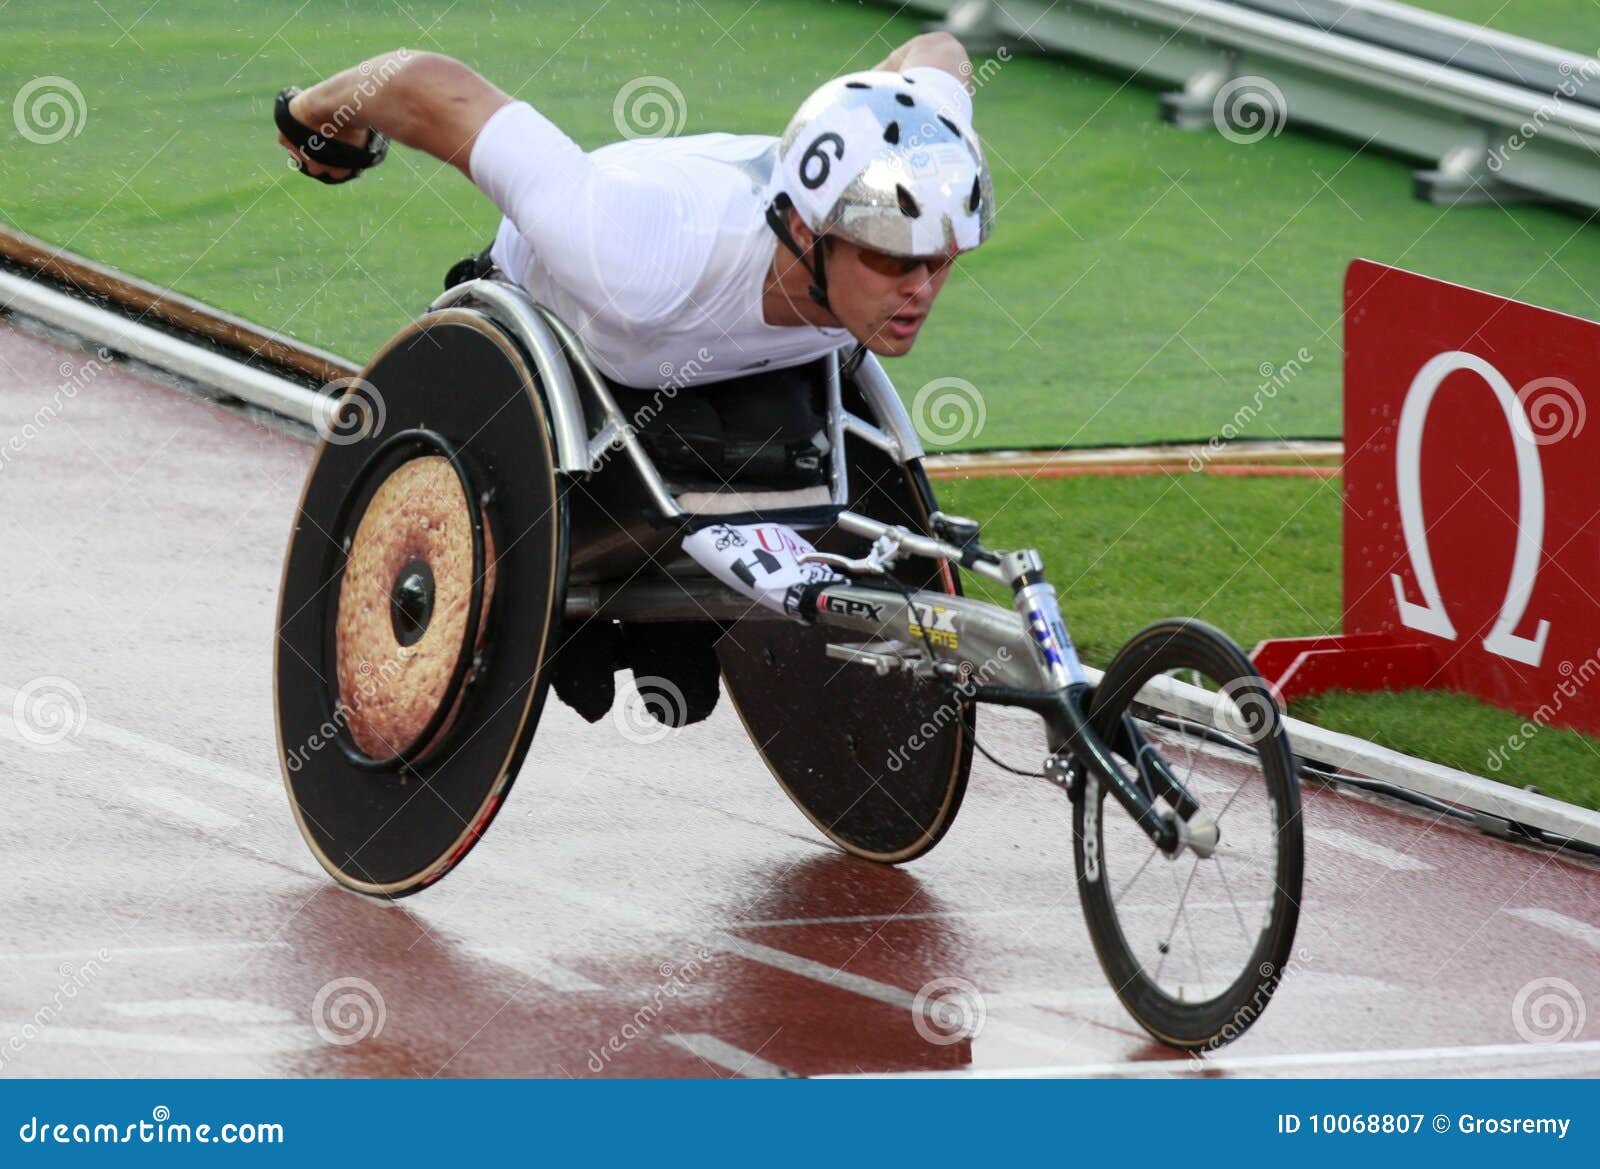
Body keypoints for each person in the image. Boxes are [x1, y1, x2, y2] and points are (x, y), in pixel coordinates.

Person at [275, 34, 994, 722]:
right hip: (590, 332)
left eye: (944, 259)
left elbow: (938, 54)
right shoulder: (627, 255)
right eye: (895, 260)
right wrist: (314, 119)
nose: (922, 290)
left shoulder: (884, 219)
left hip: (726, 351)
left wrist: (866, 131)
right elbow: (427, 86)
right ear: (808, 233)